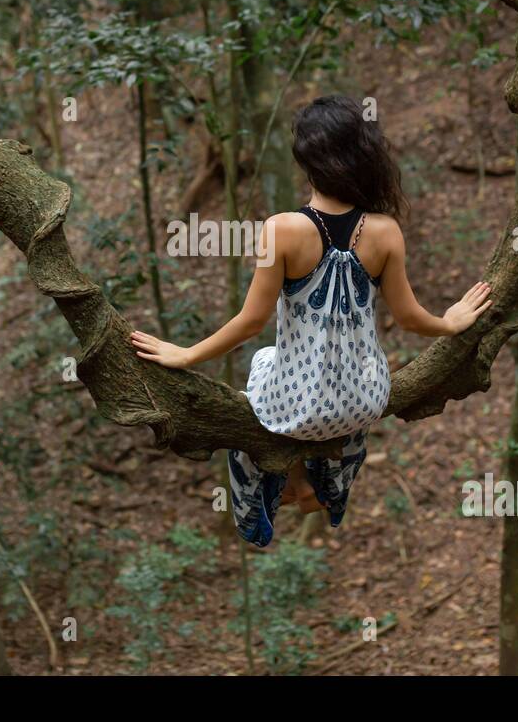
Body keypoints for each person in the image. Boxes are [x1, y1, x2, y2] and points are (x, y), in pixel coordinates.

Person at [130, 95, 492, 546]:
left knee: (264, 361)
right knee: (305, 381)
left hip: (298, 406)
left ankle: (282, 483)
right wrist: (451, 320)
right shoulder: (385, 231)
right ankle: (318, 484)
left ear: (307, 160)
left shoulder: (280, 230)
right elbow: (411, 319)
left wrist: (186, 355)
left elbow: (250, 321)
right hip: (365, 399)